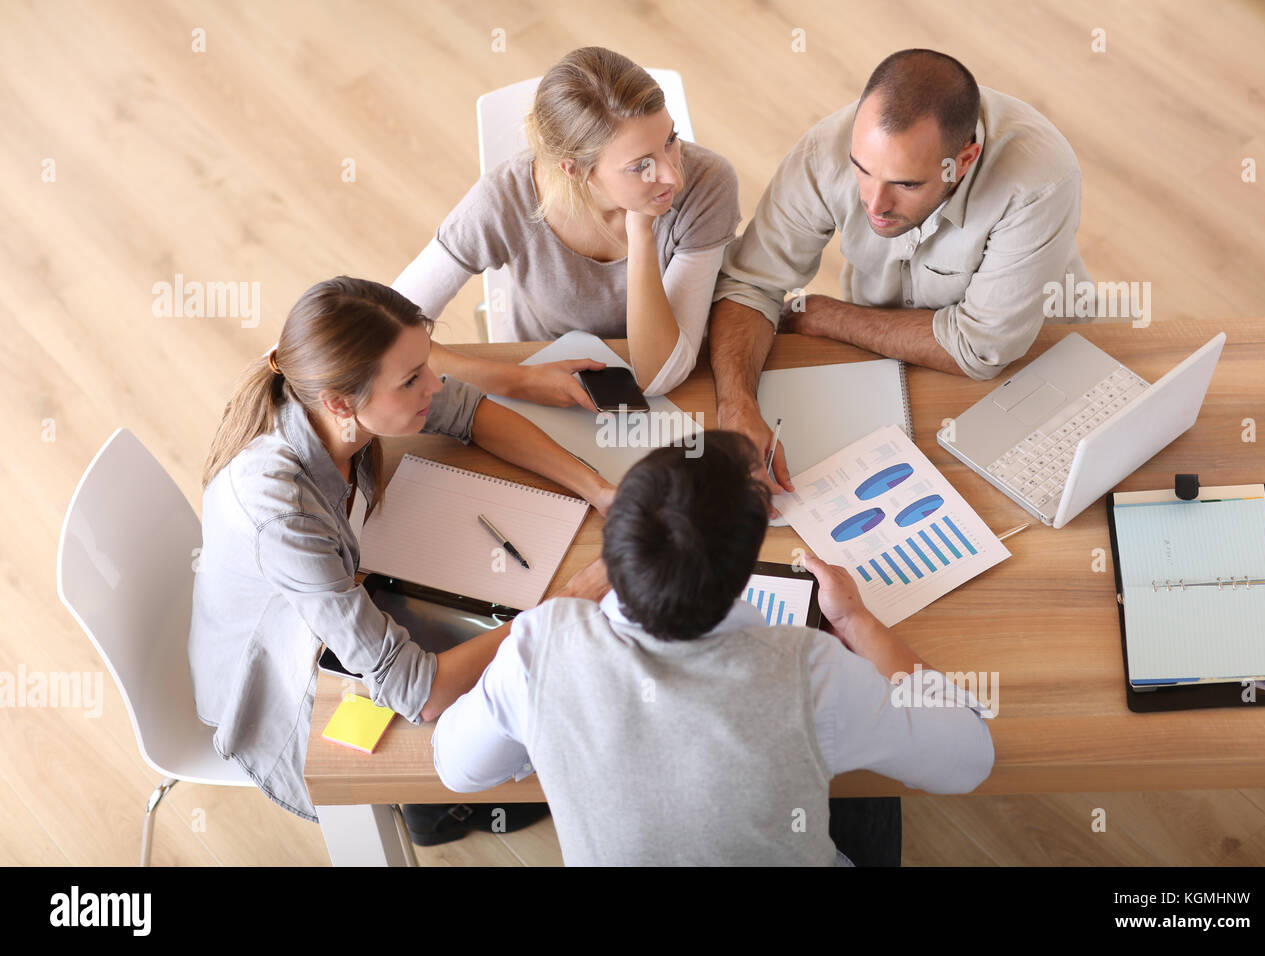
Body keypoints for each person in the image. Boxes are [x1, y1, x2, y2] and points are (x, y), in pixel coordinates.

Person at [431, 431, 994, 865]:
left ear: (616, 547)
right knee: (867, 785)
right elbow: (970, 760)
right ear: (744, 568)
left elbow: (457, 769)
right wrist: (858, 621)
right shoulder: (812, 672)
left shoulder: (538, 645)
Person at [188, 276, 615, 825]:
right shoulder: (282, 512)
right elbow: (418, 692)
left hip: (342, 608)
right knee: (553, 698)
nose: (435, 384)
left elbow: (468, 411)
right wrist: (562, 608)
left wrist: (600, 489)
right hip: (285, 685)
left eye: (428, 363)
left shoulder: (329, 402)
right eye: (412, 380)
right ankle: (435, 814)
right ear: (341, 402)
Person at [710, 48, 1092, 492]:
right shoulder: (826, 149)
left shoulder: (1038, 180)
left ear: (963, 161)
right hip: (880, 353)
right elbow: (748, 283)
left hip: (1034, 359)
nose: (874, 204)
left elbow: (981, 349)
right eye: (862, 170)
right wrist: (735, 407)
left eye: (906, 184)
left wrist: (828, 315)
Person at [392, 45, 742, 395]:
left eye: (671, 140)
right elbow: (383, 330)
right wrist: (519, 380)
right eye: (641, 165)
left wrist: (641, 233)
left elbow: (659, 375)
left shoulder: (708, 184)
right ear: (574, 169)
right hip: (540, 368)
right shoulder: (504, 199)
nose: (672, 176)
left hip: (659, 379)